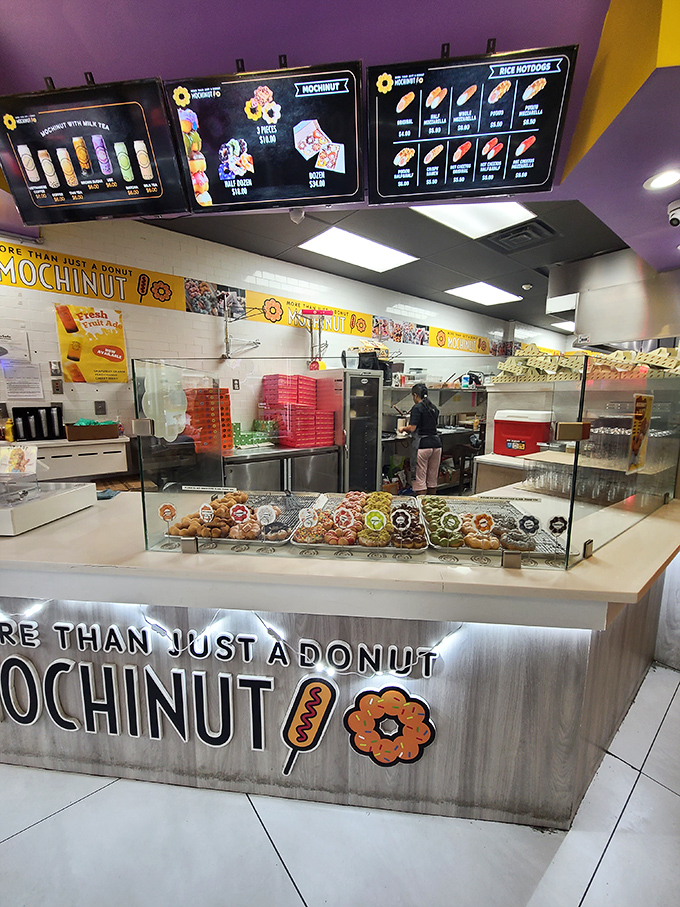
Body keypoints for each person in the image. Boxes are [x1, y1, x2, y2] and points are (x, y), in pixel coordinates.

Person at [401, 383, 442, 495]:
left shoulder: (417, 408)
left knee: (420, 478)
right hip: (436, 445)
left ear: (415, 395)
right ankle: (431, 505)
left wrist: (403, 428)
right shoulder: (433, 408)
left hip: (423, 446)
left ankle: (420, 505)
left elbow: (412, 428)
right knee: (432, 478)